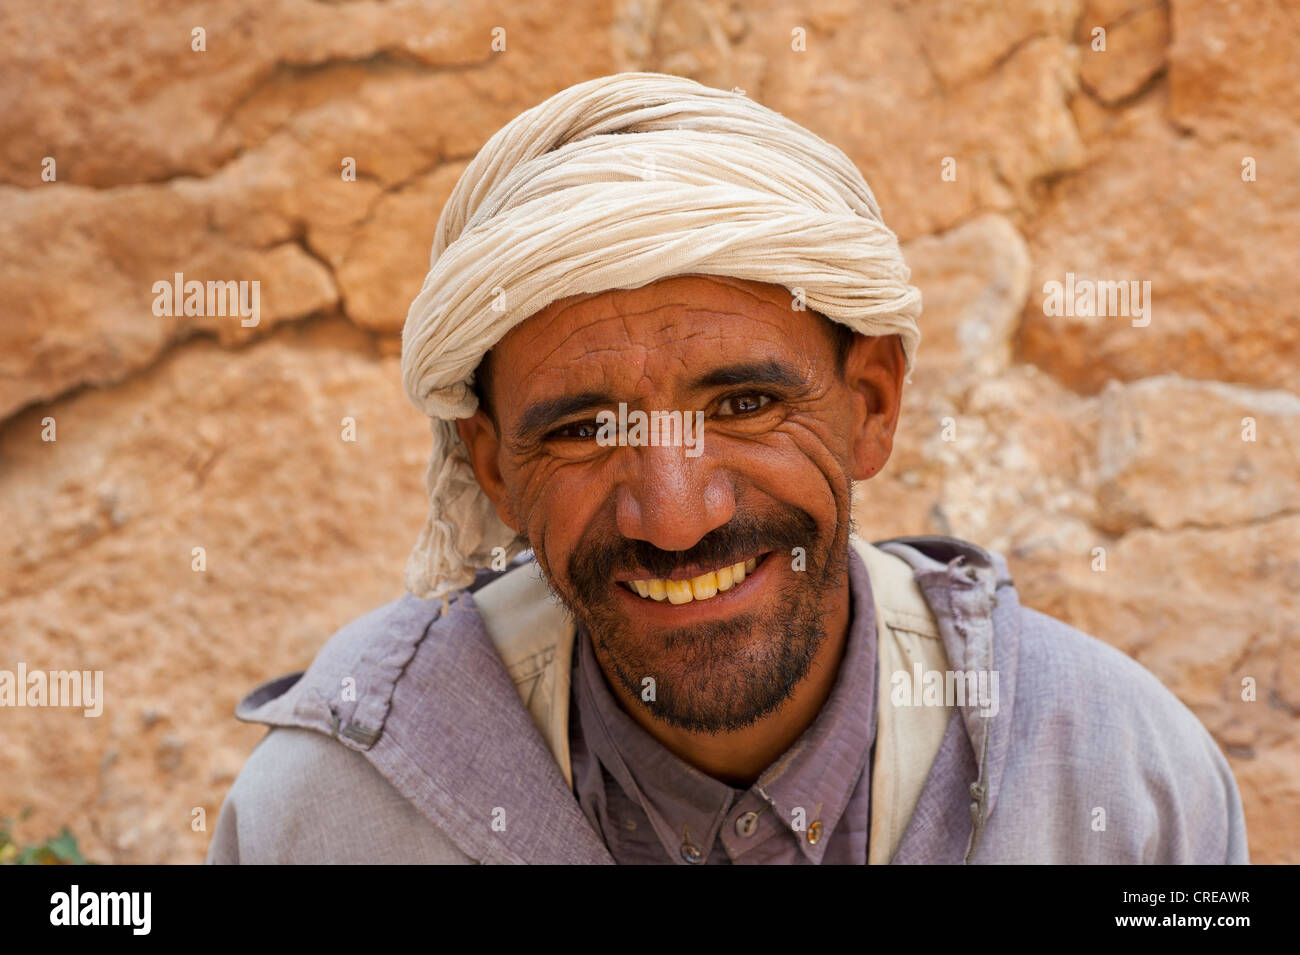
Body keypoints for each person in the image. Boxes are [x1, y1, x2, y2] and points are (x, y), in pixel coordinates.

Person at [207, 72, 1248, 865]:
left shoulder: (1120, 783)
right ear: (493, 467)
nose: (673, 515)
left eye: (743, 405)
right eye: (583, 430)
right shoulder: (325, 818)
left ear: (871, 404)